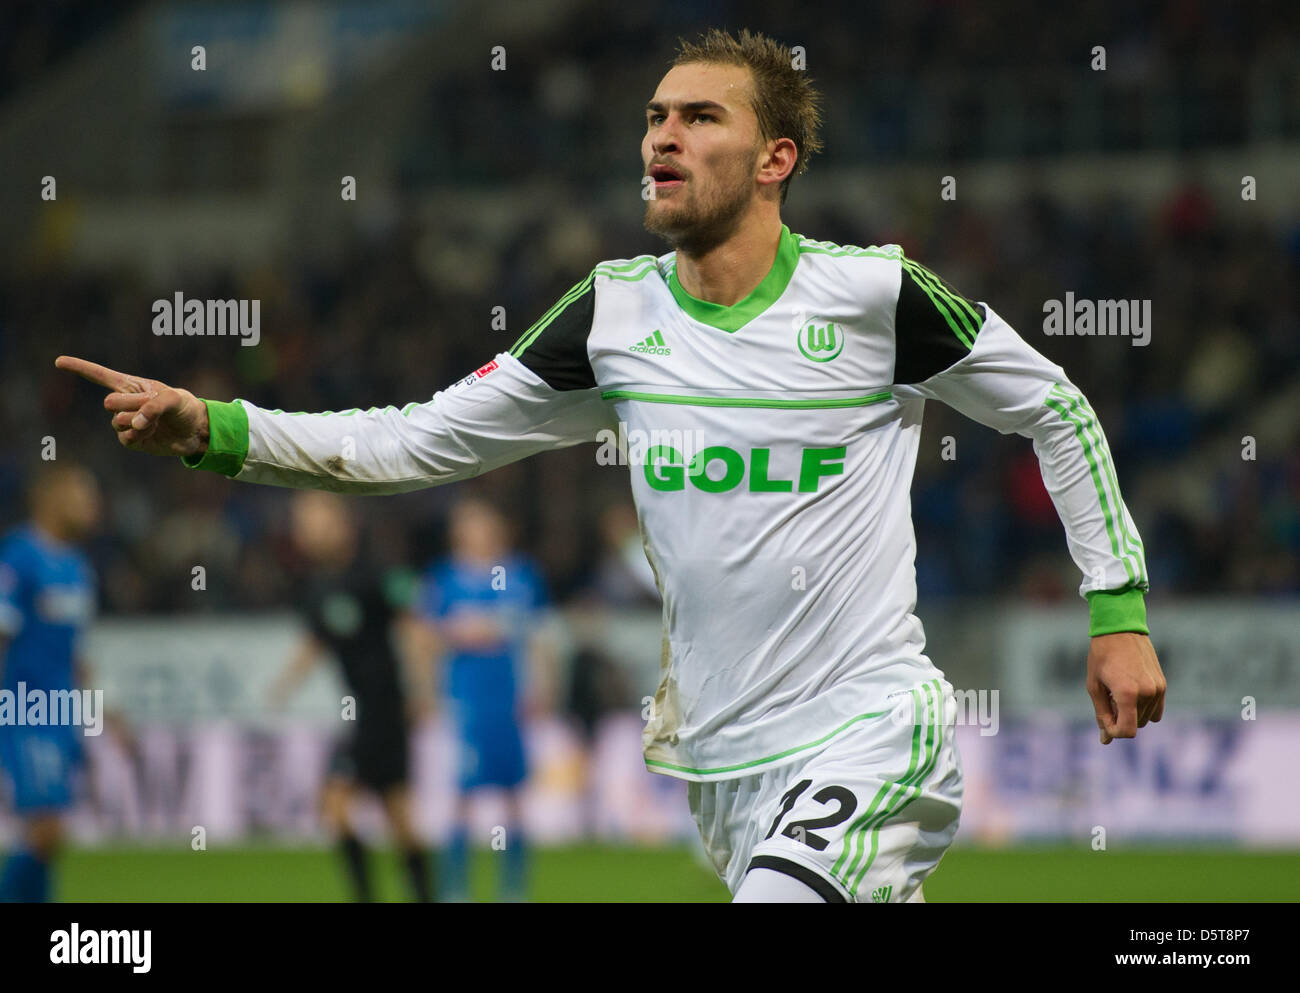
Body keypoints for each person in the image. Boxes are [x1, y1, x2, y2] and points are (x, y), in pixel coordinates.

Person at [55, 27, 1166, 903]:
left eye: (698, 117)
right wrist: (219, 429)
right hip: (722, 766)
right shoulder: (614, 313)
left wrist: (1114, 609)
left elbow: (1055, 410)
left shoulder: (874, 298)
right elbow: (420, 438)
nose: (661, 138)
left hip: (873, 726)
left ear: (775, 158)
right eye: (653, 118)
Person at [268, 490, 433, 902]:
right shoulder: (317, 587)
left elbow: (413, 627)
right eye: (301, 522)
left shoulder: (374, 571)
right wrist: (282, 686)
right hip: (362, 711)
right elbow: (316, 642)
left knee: (338, 803)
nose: (305, 529)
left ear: (342, 523)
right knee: (398, 817)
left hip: (385, 709)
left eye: (314, 519)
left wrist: (422, 688)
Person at [415, 497, 549, 902]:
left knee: (513, 794)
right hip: (465, 698)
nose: (479, 532)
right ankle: (455, 889)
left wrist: (541, 685)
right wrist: (426, 691)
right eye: (470, 525)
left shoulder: (522, 575)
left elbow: (540, 635)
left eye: (485, 524)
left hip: (508, 698)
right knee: (461, 793)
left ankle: (513, 889)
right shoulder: (443, 578)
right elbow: (423, 637)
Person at [0, 464, 100, 902]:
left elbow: (77, 652)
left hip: (63, 713)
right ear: (52, 499)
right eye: (83, 495)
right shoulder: (18, 556)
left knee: (51, 836)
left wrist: (106, 709)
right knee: (44, 830)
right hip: (25, 708)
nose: (92, 506)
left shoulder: (78, 567)